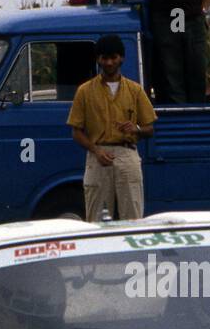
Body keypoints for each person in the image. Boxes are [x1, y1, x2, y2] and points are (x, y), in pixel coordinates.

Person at [67, 34, 157, 220]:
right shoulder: (84, 91)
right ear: (98, 59)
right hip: (97, 156)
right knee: (96, 219)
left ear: (121, 58)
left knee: (132, 218)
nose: (108, 63)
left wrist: (136, 129)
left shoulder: (135, 90)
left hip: (127, 154)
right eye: (104, 58)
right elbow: (76, 132)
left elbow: (150, 129)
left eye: (113, 58)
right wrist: (96, 150)